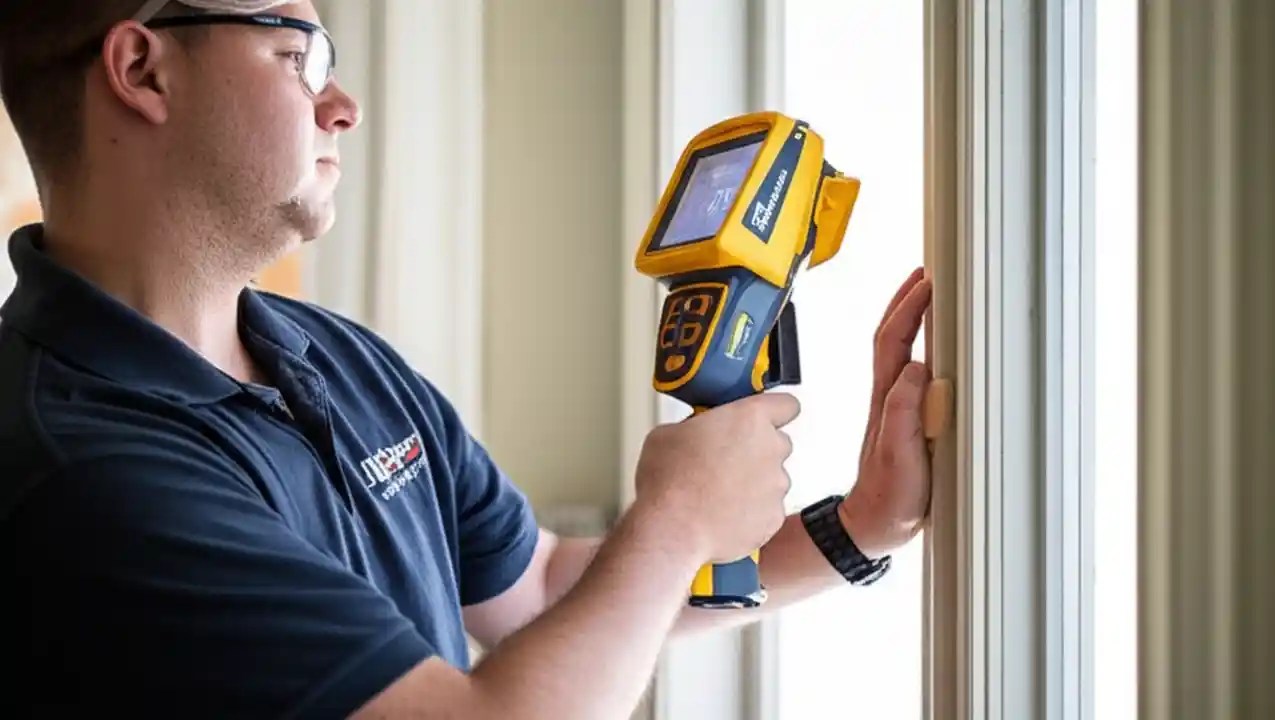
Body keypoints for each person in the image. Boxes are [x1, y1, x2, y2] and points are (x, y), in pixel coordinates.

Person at [0, 0, 935, 717]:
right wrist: (679, 518)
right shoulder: (80, 469)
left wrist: (858, 528)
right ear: (142, 70)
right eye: (298, 53)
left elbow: (540, 595)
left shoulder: (334, 357)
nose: (343, 104)